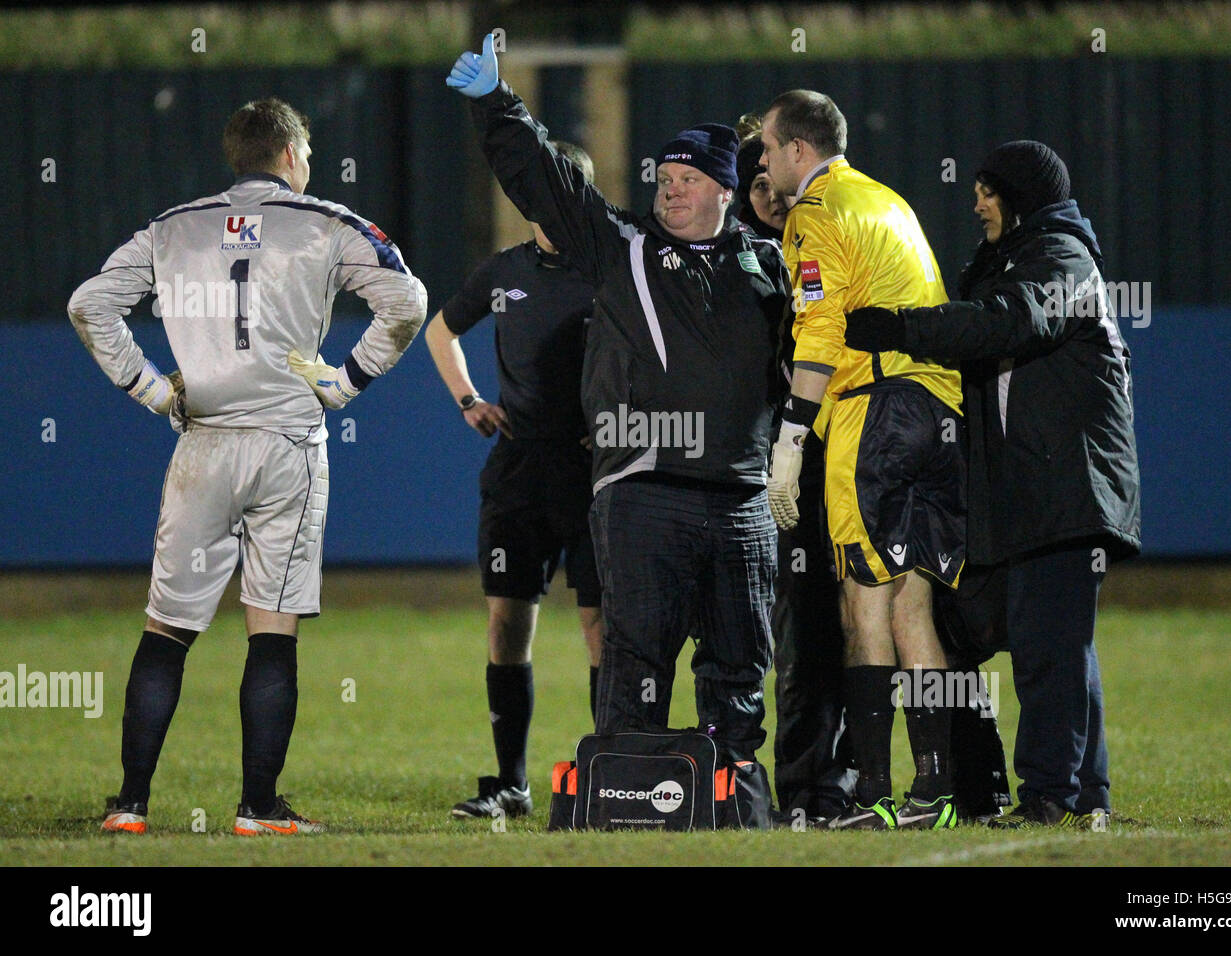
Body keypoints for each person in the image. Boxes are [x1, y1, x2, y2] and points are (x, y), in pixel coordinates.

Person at [70, 97, 427, 836]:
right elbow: (407, 298)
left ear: (238, 156)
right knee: (271, 629)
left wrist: (148, 387)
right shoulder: (328, 223)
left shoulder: (172, 228)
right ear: (293, 155)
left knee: (166, 628)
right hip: (288, 443)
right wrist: (348, 379)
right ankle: (258, 807)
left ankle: (131, 805)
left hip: (200, 439)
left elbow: (89, 304)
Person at [448, 38, 789, 768]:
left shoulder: (768, 266)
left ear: (724, 189)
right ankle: (629, 789)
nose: (670, 189)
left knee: (738, 664)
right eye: (665, 176)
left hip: (741, 493)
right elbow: (549, 184)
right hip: (644, 489)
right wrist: (497, 104)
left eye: (688, 178)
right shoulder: (622, 249)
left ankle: (731, 790)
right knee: (636, 659)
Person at [843, 140, 1140, 829]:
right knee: (1048, 643)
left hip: (1067, 491)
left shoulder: (1061, 259)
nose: (975, 203)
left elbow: (1012, 321)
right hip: (1030, 495)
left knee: (1045, 646)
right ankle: (1080, 794)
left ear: (1020, 196)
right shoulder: (1016, 260)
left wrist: (902, 329)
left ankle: (1047, 796)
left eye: (987, 190)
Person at [760, 90, 965, 830]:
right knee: (913, 604)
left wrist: (789, 441)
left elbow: (819, 328)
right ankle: (936, 792)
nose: (762, 160)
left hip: (871, 411)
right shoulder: (889, 202)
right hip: (936, 409)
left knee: (862, 606)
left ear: (798, 152)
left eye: (768, 147)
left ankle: (873, 792)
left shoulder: (815, 213)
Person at [424, 142, 604, 819]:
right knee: (506, 623)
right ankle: (511, 784)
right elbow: (441, 331)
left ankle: (609, 772)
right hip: (521, 469)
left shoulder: (612, 268)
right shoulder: (505, 271)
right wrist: (469, 400)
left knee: (602, 628)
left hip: (595, 473)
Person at [733, 121, 858, 822]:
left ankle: (832, 787)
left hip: (828, 455)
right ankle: (778, 789)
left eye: (771, 174)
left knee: (833, 624)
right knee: (787, 631)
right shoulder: (744, 266)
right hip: (767, 471)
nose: (770, 195)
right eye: (755, 184)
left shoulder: (827, 239)